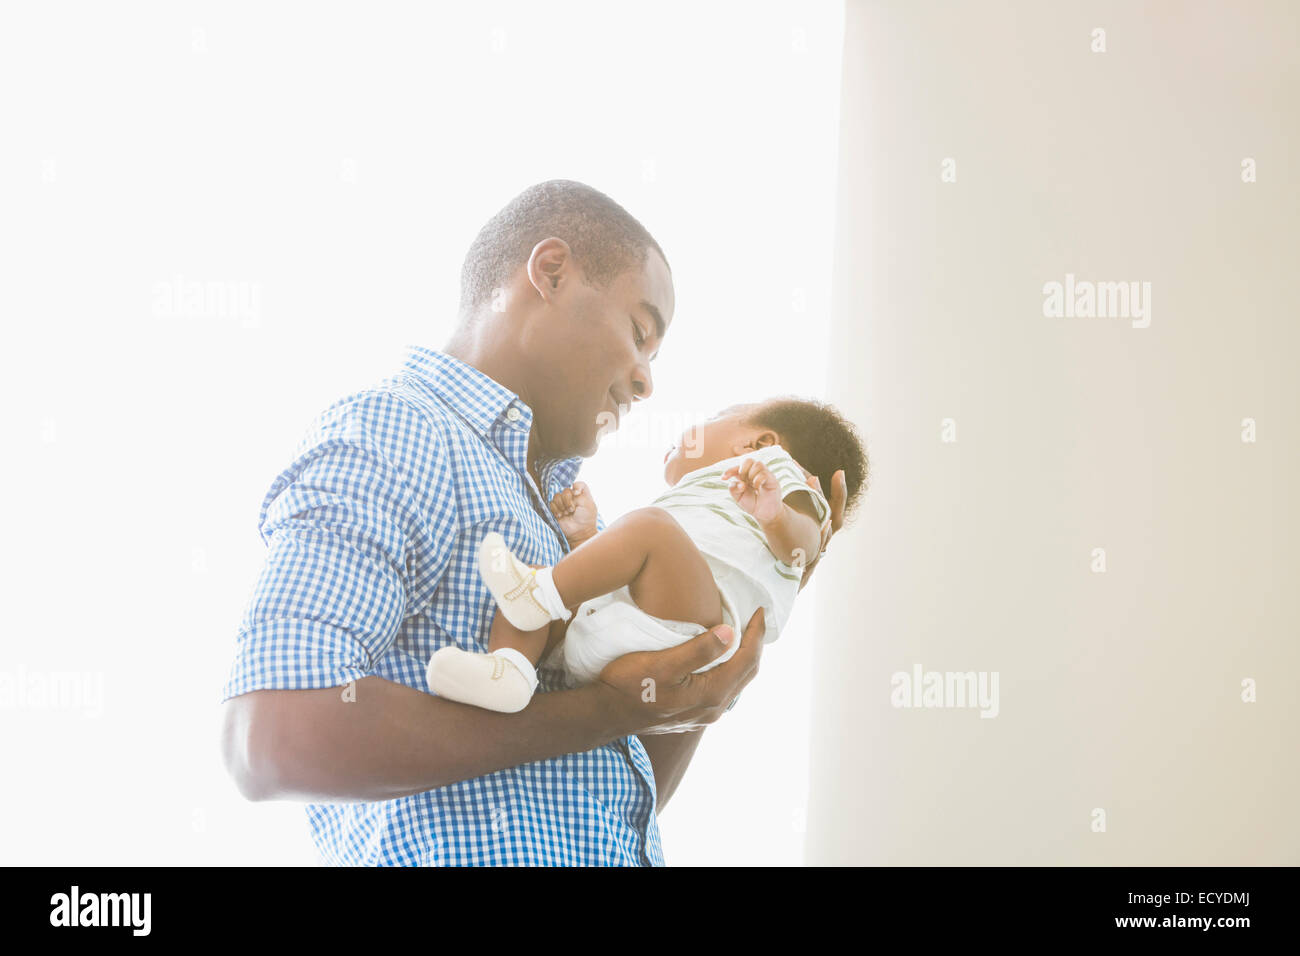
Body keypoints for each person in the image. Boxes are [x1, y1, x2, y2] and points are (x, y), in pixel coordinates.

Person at [219, 179, 847, 866]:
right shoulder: (399, 431)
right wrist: (609, 711)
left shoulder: (563, 523)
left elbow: (599, 799)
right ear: (550, 273)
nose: (646, 382)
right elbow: (273, 735)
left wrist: (741, 608)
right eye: (640, 335)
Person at [428, 398, 866, 713]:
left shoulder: (776, 474)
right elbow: (626, 572)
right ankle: (511, 672)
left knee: (648, 529)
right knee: (562, 577)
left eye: (716, 416)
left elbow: (806, 544)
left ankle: (534, 597)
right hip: (626, 638)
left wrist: (775, 516)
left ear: (757, 443)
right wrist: (585, 538)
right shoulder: (695, 506)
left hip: (700, 621)